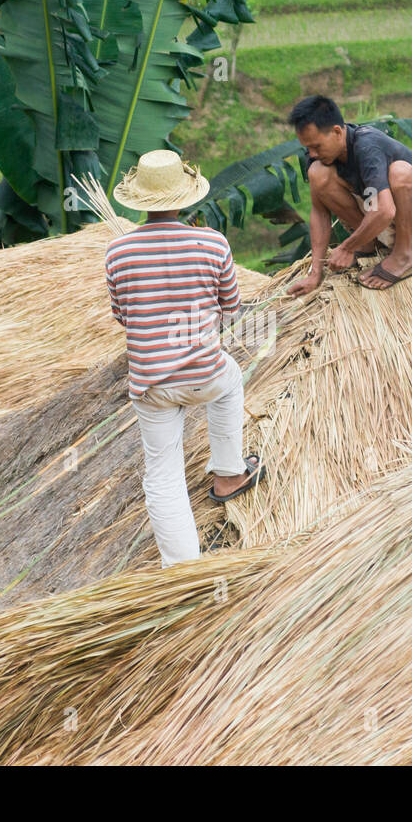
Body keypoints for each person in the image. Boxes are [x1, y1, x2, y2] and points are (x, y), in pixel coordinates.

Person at [105, 149, 267, 567]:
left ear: (138, 199)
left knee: (162, 476)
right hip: (205, 373)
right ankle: (230, 472)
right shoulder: (213, 243)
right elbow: (231, 307)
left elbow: (122, 316)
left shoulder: (117, 253)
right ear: (184, 197)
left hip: (152, 385)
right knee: (230, 377)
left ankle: (180, 567)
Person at [285, 95, 412, 295]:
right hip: (375, 219)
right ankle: (369, 244)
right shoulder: (318, 156)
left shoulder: (366, 144)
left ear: (337, 132)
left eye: (316, 146)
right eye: (308, 147)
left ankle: (403, 254)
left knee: (399, 172)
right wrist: (315, 274)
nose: (312, 153)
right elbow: (319, 212)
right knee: (317, 172)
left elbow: (385, 210)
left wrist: (347, 247)